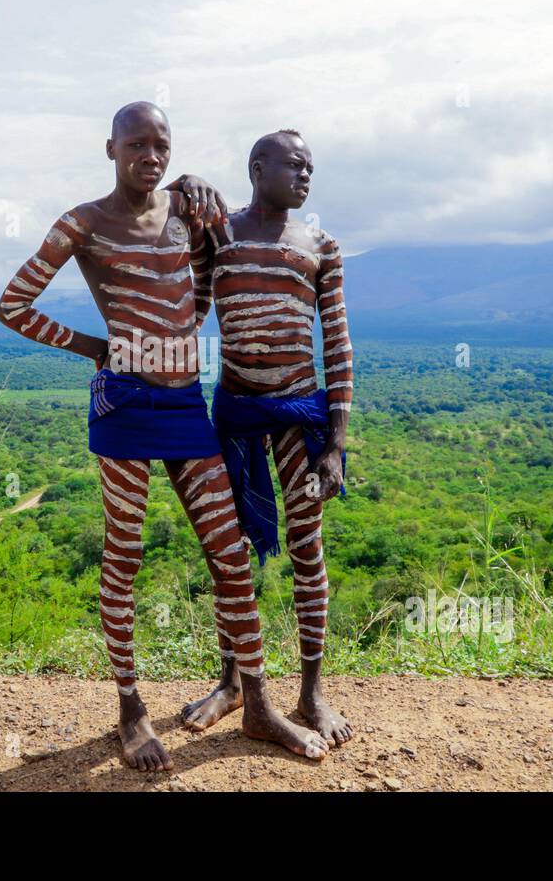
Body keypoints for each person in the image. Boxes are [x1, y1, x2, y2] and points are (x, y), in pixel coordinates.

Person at [0, 104, 329, 770]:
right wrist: (97, 345)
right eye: (137, 144)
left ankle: (257, 703)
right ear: (110, 147)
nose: (150, 156)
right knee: (125, 554)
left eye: (162, 145)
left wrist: (202, 186)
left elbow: (208, 278)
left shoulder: (187, 214)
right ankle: (130, 708)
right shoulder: (84, 223)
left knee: (231, 552)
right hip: (123, 407)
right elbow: (13, 305)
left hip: (186, 408)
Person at [179, 129, 355, 747]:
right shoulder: (220, 234)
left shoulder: (321, 246)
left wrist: (334, 443)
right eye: (294, 165)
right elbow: (189, 306)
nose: (306, 176)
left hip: (302, 418)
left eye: (311, 168)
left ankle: (311, 693)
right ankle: (232, 684)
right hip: (234, 416)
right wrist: (183, 183)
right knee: (228, 556)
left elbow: (336, 344)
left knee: (307, 549)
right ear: (257, 168)